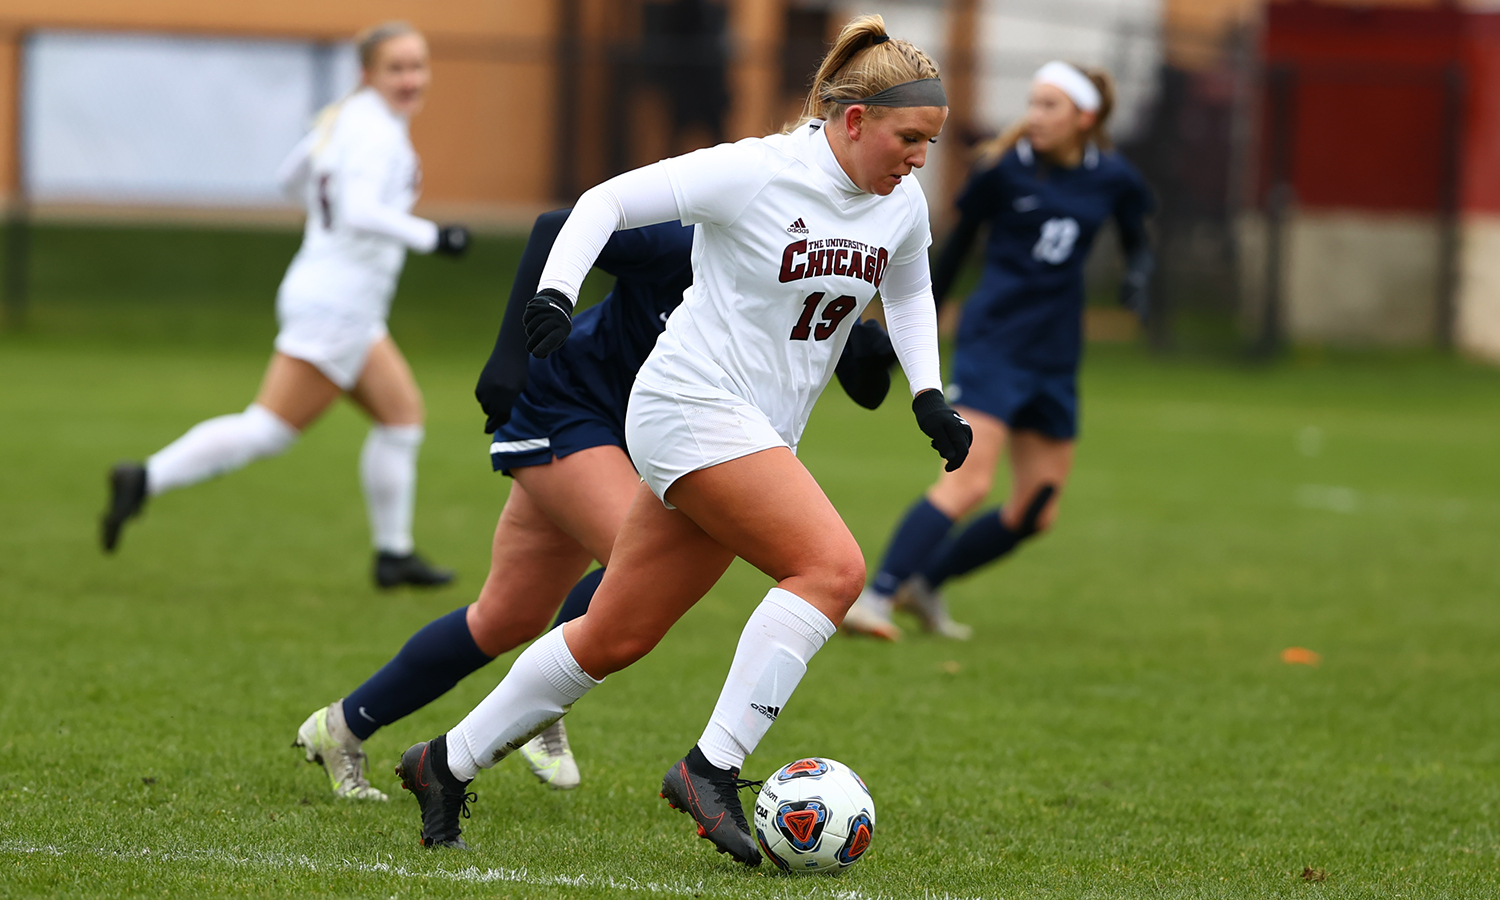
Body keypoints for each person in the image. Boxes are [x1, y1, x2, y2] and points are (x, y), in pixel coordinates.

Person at [390, 15, 970, 863]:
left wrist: (928, 395)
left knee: (614, 634)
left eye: (929, 142)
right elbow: (602, 204)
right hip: (689, 405)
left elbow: (912, 292)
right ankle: (710, 768)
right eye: (909, 137)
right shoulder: (756, 172)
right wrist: (553, 296)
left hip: (753, 428)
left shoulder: (900, 201)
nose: (920, 158)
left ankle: (443, 762)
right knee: (834, 570)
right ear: (853, 120)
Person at [293, 210, 899, 800]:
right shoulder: (697, 229)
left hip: (659, 434)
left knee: (505, 617)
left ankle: (340, 727)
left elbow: (860, 388)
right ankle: (540, 697)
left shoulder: (806, 259)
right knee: (633, 573)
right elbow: (555, 228)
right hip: (569, 403)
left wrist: (876, 351)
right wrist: (510, 354)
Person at [99, 21, 469, 589]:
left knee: (401, 418)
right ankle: (145, 478)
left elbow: (289, 177)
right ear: (368, 73)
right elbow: (358, 210)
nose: (411, 79)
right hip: (337, 305)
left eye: (418, 66)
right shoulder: (373, 132)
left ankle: (393, 556)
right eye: (396, 68)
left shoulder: (349, 118)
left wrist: (326, 228)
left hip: (339, 298)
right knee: (268, 430)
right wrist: (434, 237)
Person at [842, 60, 1155, 641]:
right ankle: (877, 597)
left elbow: (1137, 237)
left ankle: (925, 584)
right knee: (967, 481)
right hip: (995, 344)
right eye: (1032, 103)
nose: (1032, 116)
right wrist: (906, 336)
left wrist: (1139, 273)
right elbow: (953, 256)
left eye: (1049, 105)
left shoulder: (1113, 178)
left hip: (1055, 355)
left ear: (1084, 118)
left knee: (1037, 510)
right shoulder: (1001, 172)